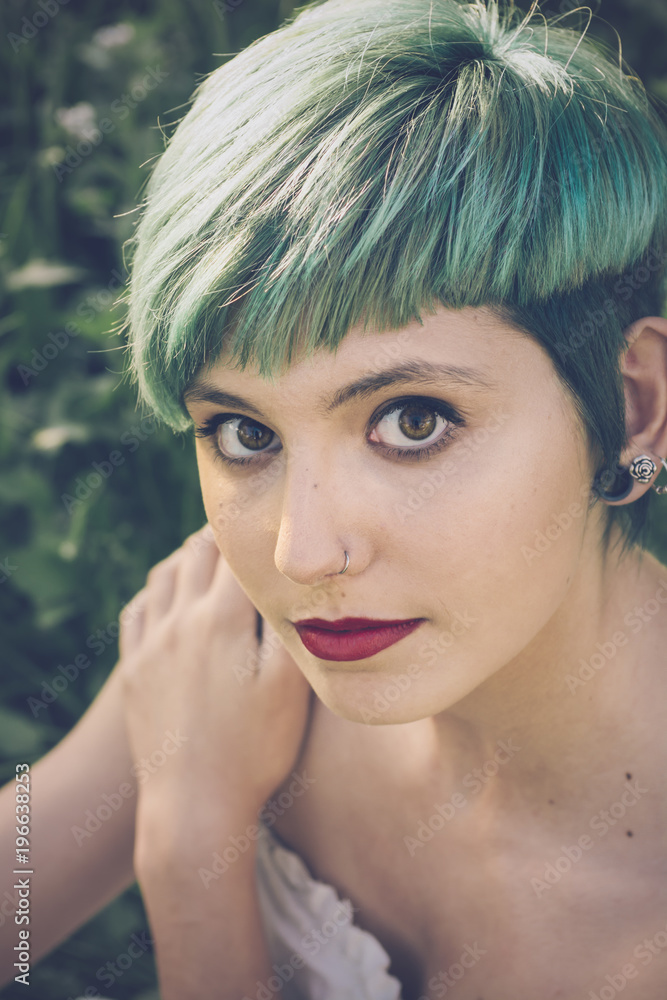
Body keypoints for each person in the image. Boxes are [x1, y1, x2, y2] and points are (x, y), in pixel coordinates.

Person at [2, 0, 667, 996]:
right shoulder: (241, 649)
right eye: (244, 433)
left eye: (410, 420)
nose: (302, 553)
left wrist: (191, 861)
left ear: (632, 404)